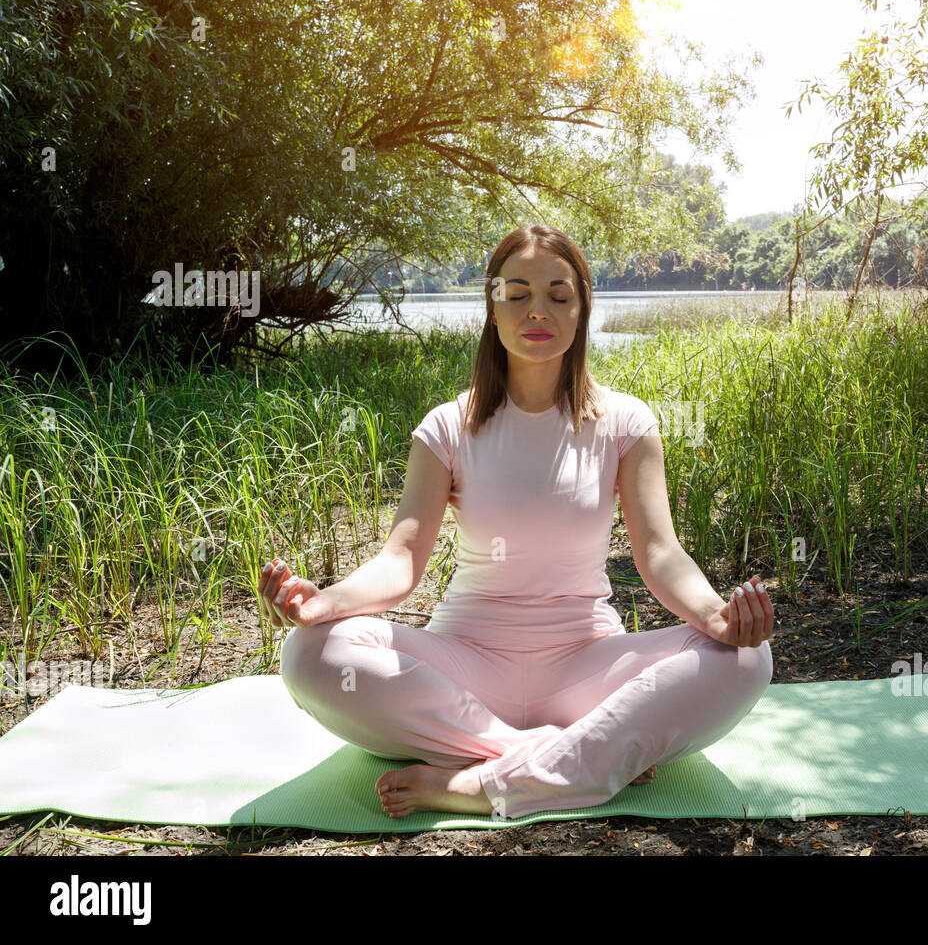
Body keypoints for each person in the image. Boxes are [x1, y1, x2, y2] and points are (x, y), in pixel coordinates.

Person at [266, 224, 774, 820]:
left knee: (745, 658)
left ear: (582, 309)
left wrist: (716, 615)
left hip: (587, 665)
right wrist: (326, 602)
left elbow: (660, 554)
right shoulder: (447, 426)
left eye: (559, 296)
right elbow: (401, 561)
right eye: (517, 293)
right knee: (309, 653)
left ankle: (483, 782)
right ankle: (575, 756)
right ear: (492, 304)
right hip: (466, 664)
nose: (538, 310)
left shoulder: (625, 422)